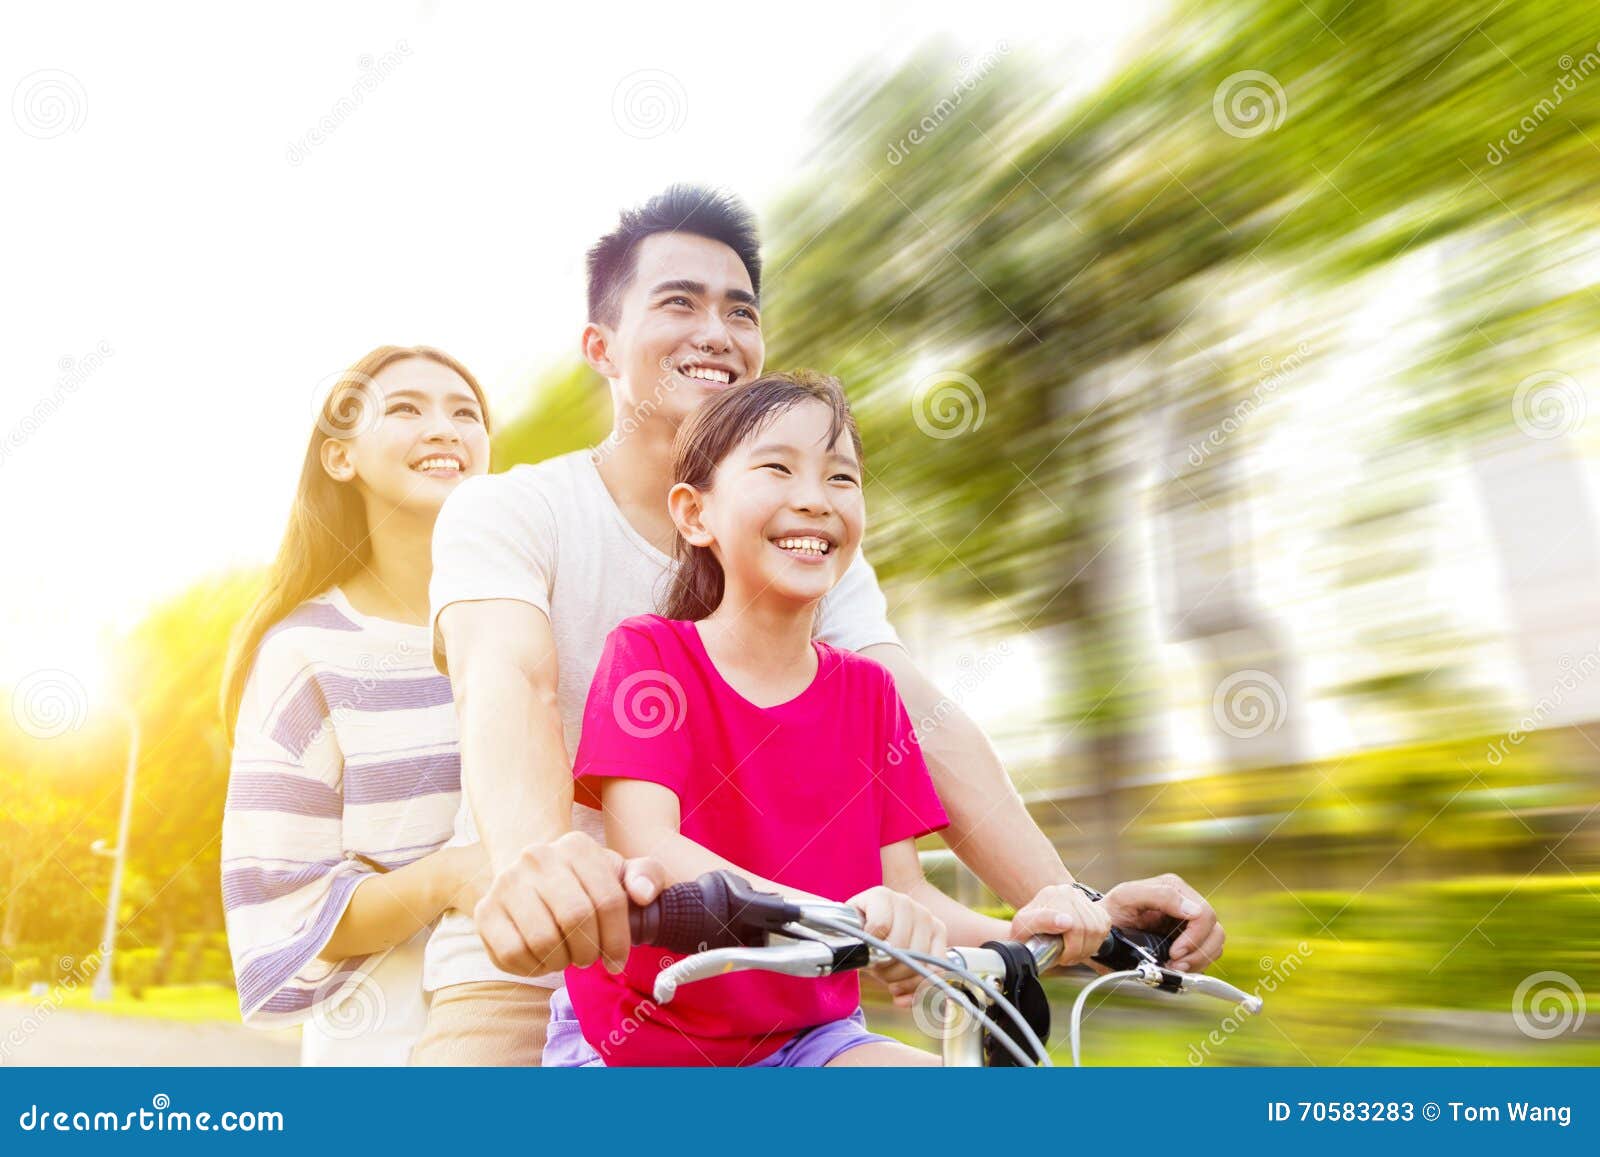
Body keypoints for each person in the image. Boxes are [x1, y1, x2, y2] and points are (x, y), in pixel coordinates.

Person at [422, 187, 1223, 1063]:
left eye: (740, 310)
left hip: (788, 982)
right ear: (601, 347)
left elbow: (923, 725)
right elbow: (510, 685)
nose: (716, 331)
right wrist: (547, 881)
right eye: (678, 301)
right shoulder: (512, 511)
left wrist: (1078, 910)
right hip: (543, 956)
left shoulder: (796, 548)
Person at [548, 372, 1053, 1066]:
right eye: (778, 468)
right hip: (639, 1043)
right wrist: (860, 923)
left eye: (841, 478)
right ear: (696, 515)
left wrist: (1036, 926)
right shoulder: (651, 655)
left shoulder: (869, 693)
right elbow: (651, 851)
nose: (815, 500)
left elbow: (902, 891)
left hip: (809, 1040)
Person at [220, 345, 663, 1064]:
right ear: (340, 458)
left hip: (586, 1018)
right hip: (392, 1040)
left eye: (466, 413)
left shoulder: (545, 621)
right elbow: (288, 904)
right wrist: (457, 874)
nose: (445, 428)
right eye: (406, 409)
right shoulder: (304, 652)